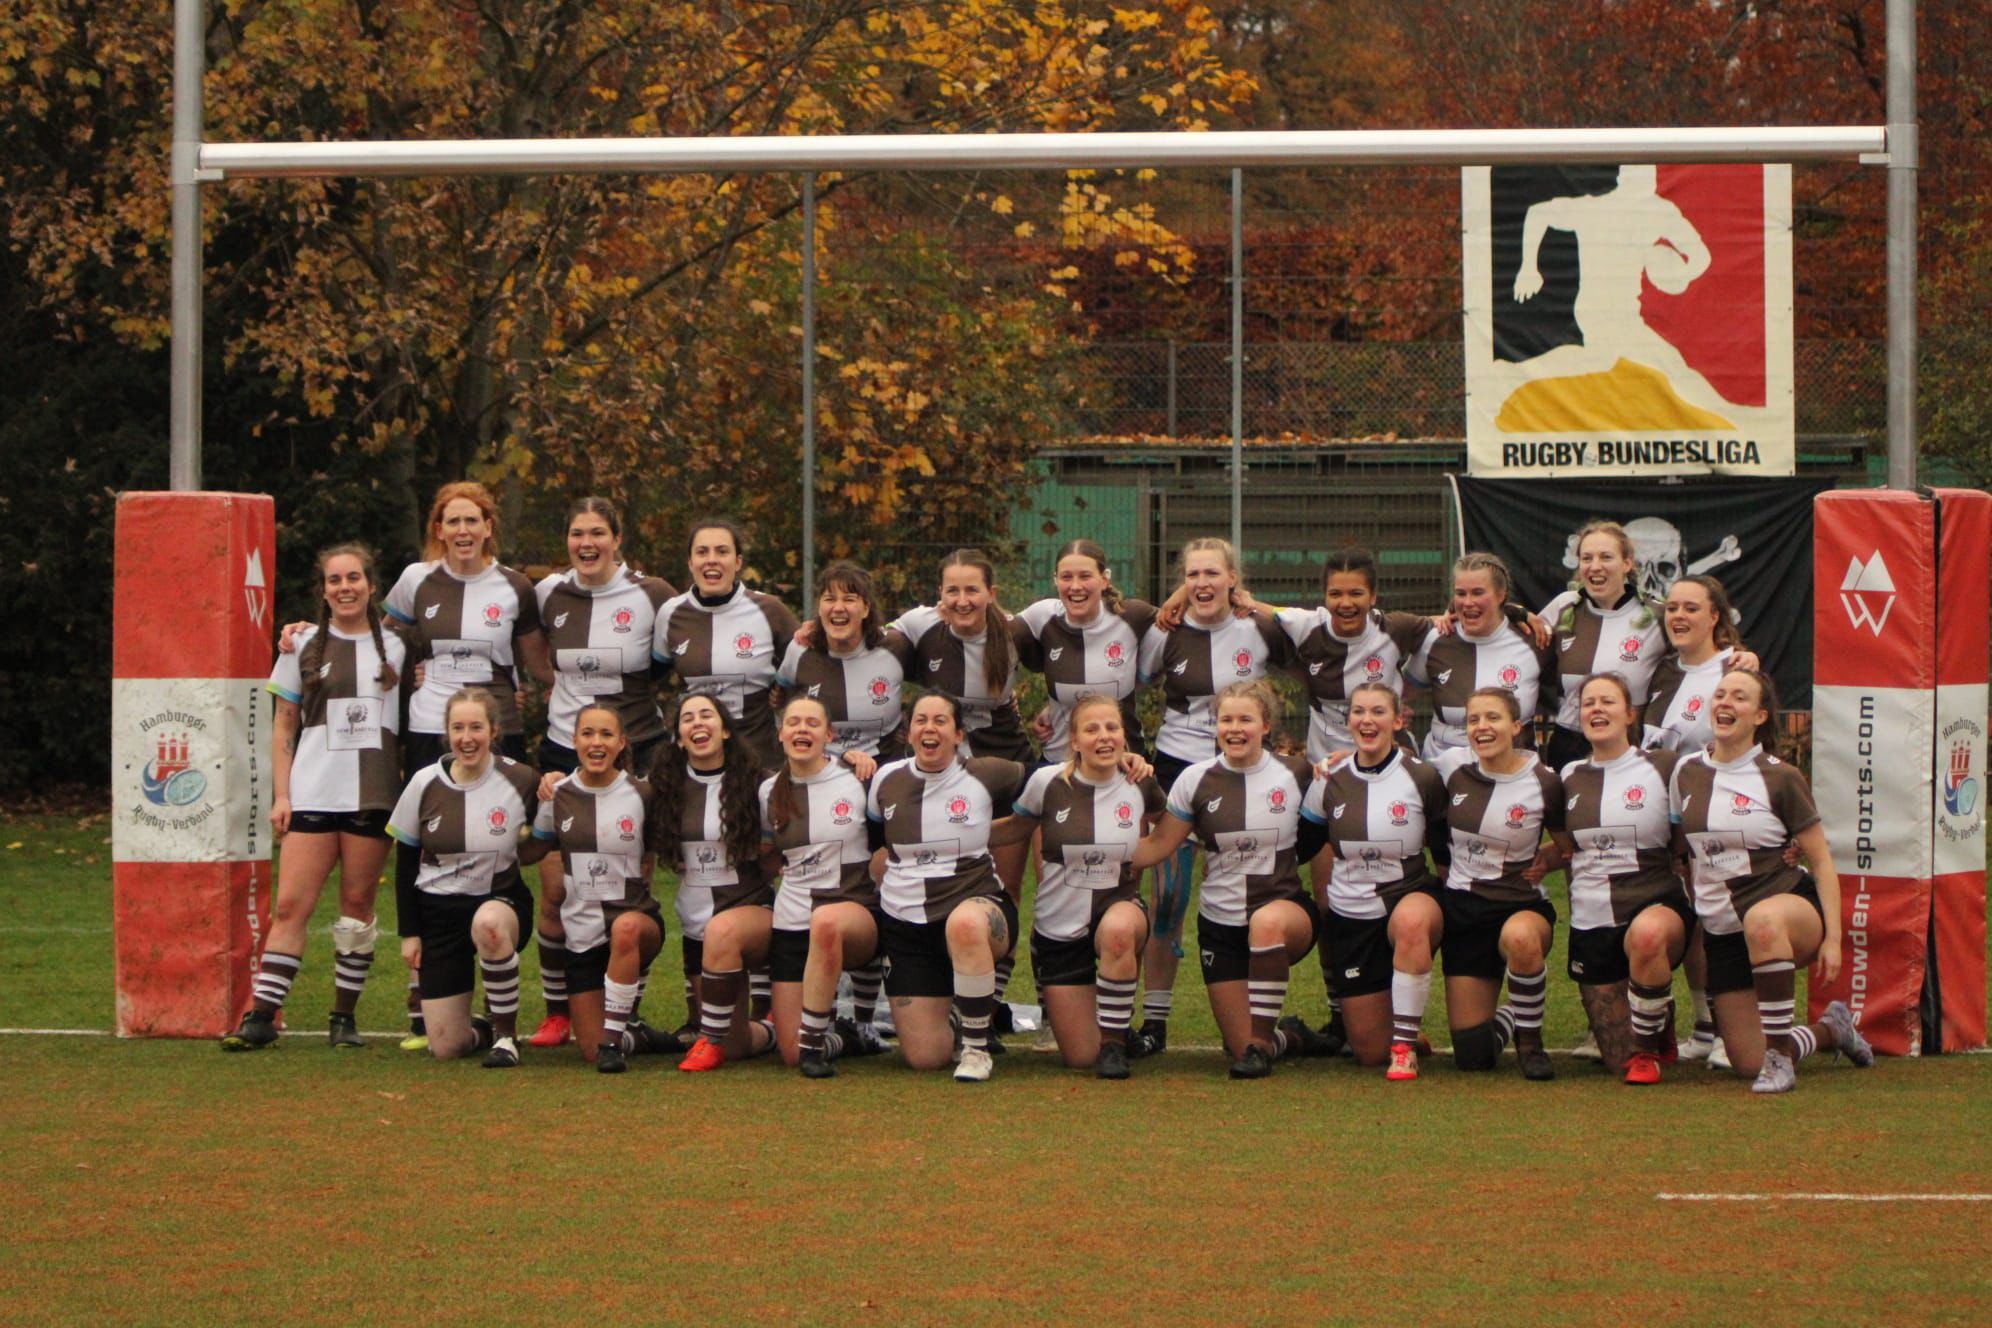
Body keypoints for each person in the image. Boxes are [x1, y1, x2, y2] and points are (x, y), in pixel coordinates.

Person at [224, 544, 407, 1051]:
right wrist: (282, 795)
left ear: (371, 585)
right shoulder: (300, 644)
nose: (345, 587)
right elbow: (284, 724)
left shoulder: (398, 646)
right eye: (334, 580)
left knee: (357, 905)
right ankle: (261, 1016)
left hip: (373, 793)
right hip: (312, 793)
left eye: (353, 578)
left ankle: (343, 1017)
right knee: (290, 907)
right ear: (323, 590)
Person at [1670, 668, 1874, 1092]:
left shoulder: (1781, 777)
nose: (1725, 702)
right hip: (1723, 931)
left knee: (1762, 921)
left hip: (1788, 908)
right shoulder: (1685, 772)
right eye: (1720, 694)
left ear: (1760, 716)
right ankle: (1832, 1030)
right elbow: (1679, 848)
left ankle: (1780, 1063)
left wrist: (1834, 938)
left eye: (1739, 697)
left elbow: (1822, 861)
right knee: (1748, 1061)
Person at [526, 497, 678, 1051]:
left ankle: (625, 1011)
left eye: (597, 533)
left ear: (618, 538)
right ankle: (557, 1012)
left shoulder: (653, 594)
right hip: (565, 747)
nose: (586, 543)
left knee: (631, 889)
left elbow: (670, 658)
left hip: (638, 746)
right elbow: (533, 656)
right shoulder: (547, 593)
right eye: (576, 533)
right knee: (555, 889)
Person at [1130, 538, 1291, 1057]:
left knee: (1255, 889)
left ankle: (1271, 1009)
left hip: (1245, 772)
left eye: (1212, 574)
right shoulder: (1167, 631)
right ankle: (1155, 1020)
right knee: (1169, 898)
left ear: (1232, 579)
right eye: (1192, 575)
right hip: (1180, 766)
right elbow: (1137, 680)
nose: (1202, 583)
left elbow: (1311, 647)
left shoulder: (1258, 626)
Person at [1129, 681, 1321, 1079]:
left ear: (1265, 725)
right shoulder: (1194, 779)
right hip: (1222, 923)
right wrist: (1095, 853)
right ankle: (1290, 1037)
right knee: (1239, 1045)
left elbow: (1333, 819)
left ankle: (1260, 1048)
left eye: (1245, 720)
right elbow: (1158, 845)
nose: (1234, 729)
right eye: (1226, 720)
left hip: (1284, 913)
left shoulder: (1297, 773)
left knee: (1267, 923)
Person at [867, 693, 1028, 1083]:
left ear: (958, 734)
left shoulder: (986, 772)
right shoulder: (885, 779)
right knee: (926, 1057)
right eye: (921, 720)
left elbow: (1054, 779)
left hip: (975, 906)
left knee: (966, 924)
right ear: (908, 732)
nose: (930, 728)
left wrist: (1123, 761)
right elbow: (873, 842)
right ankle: (962, 1011)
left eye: (941, 721)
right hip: (908, 926)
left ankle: (975, 1048)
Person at [1003, 694, 1165, 1080]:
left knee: (1119, 930)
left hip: (1118, 906)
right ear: (1074, 740)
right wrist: (958, 837)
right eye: (1091, 729)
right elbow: (1014, 829)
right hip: (1060, 926)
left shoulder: (1139, 781)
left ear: (1124, 736)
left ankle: (1114, 1044)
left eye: (1112, 727)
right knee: (1080, 1057)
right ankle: (1110, 1030)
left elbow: (1173, 822)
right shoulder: (1045, 782)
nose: (1103, 736)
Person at [384, 687, 542, 1066]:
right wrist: (410, 933)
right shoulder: (423, 783)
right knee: (447, 1048)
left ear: (494, 731)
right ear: (447, 732)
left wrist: (553, 784)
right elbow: (406, 862)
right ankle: (481, 1030)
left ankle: (505, 1037)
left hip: (499, 901)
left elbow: (553, 824)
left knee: (489, 925)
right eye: (458, 728)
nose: (466, 738)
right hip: (439, 914)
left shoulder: (521, 779)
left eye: (476, 727)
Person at [1298, 682, 1448, 1080]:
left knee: (1412, 922)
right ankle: (1398, 1035)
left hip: (1408, 897)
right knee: (1367, 1052)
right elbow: (1302, 845)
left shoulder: (1423, 777)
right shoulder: (1328, 778)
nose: (1367, 720)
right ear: (1348, 721)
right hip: (1352, 913)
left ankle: (1403, 1048)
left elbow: (1443, 850)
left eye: (1378, 712)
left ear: (1398, 721)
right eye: (1359, 712)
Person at [1552, 673, 1692, 1083]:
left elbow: (1694, 828)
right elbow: (1567, 846)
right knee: (1616, 1058)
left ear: (1630, 714)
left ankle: (1648, 1048)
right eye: (1588, 703)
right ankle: (1658, 1015)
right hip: (1591, 918)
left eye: (1607, 701)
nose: (1597, 709)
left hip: (1653, 903)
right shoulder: (1567, 776)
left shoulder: (1664, 766)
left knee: (1647, 937)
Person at [520, 703, 674, 1073]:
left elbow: (659, 851)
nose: (596, 742)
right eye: (587, 734)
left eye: (606, 734)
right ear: (574, 741)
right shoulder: (557, 794)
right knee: (590, 1050)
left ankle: (612, 1042)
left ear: (621, 743)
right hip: (582, 936)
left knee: (626, 928)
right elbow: (533, 850)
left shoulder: (642, 793)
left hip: (636, 924)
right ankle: (635, 1036)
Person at [1640, 573, 1748, 1066]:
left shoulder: (1735, 668)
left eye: (1690, 608)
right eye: (1672, 608)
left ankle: (1732, 1029)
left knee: (1725, 922)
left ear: (1715, 617)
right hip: (1668, 822)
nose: (1678, 616)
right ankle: (1705, 1028)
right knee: (1698, 923)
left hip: (1721, 819)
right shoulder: (1662, 672)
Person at [1434, 687, 1563, 1080]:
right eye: (1474, 719)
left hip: (1519, 905)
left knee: (1521, 939)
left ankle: (1531, 1043)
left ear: (1516, 726)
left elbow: (1571, 845)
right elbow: (1398, 766)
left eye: (1493, 717)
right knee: (1473, 1057)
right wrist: (1338, 760)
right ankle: (1513, 1014)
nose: (1482, 727)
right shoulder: (1451, 766)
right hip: (1464, 912)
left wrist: (1546, 859)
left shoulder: (1544, 781)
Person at [760, 695, 888, 1078]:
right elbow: (766, 855)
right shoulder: (767, 791)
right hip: (793, 920)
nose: (802, 729)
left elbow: (887, 843)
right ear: (781, 734)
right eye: (793, 722)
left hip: (853, 916)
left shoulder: (859, 780)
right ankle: (849, 1037)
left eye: (812, 723)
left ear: (829, 735)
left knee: (827, 921)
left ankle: (829, 1034)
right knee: (790, 1052)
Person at [383, 481, 551, 770]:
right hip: (430, 724)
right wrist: (409, 671)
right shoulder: (416, 579)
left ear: (488, 527)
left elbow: (540, 665)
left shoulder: (516, 586)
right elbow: (381, 640)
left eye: (471, 520)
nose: (463, 530)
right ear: (440, 531)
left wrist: (566, 688)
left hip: (497, 724)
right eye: (453, 522)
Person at [652, 693, 779, 1071]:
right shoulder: (661, 786)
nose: (697, 723)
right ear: (679, 738)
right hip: (696, 927)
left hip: (750, 912)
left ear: (725, 730)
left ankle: (712, 1038)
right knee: (735, 1045)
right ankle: (770, 1031)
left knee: (722, 930)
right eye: (687, 718)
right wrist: (556, 779)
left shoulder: (758, 783)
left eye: (707, 715)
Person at [652, 518, 800, 769]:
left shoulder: (769, 609)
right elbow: (651, 675)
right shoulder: (670, 613)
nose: (712, 560)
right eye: (702, 552)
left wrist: (784, 690)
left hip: (759, 757)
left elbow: (806, 665)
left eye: (722, 551)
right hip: (696, 759)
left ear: (738, 562)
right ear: (690, 563)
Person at [1013, 540, 1158, 764]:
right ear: (1055, 580)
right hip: (1059, 765)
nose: (1075, 586)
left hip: (1126, 763)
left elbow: (1184, 618)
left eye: (1085, 576)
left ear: (1104, 580)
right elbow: (992, 629)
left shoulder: (1132, 616)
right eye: (1066, 577)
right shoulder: (1040, 617)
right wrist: (1007, 698)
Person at [1540, 521, 1666, 773]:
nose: (1595, 566)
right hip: (1568, 746)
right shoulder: (1564, 606)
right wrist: (1516, 612)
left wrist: (1742, 658)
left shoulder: (1656, 615)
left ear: (1627, 564)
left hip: (1630, 746)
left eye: (1606, 557)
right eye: (1587, 558)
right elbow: (1514, 638)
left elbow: (1704, 652)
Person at [1406, 552, 1551, 762]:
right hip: (1444, 767)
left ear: (1501, 595)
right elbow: (1403, 694)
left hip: (1513, 767)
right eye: (1461, 593)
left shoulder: (1533, 638)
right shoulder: (1436, 638)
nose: (1468, 602)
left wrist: (1518, 612)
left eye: (1477, 592)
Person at [774, 561, 905, 761]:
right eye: (829, 599)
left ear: (866, 609)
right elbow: (779, 697)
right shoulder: (800, 649)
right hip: (821, 769)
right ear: (819, 608)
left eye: (849, 599)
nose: (838, 608)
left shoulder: (895, 647)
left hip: (883, 768)